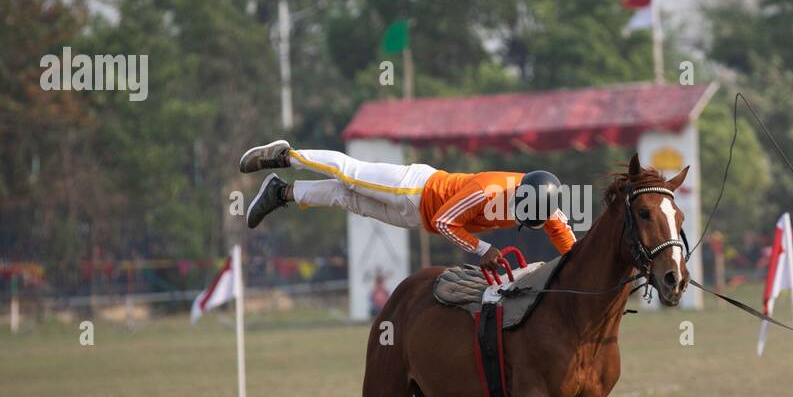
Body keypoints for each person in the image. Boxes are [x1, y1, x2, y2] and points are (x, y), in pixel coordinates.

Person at [238, 140, 575, 267]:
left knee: (346, 199)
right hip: (413, 190)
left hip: (416, 219)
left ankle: (281, 193)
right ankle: (286, 156)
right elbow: (446, 222)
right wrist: (483, 249)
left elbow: (569, 245)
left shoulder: (544, 203)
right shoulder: (487, 190)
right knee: (351, 176)